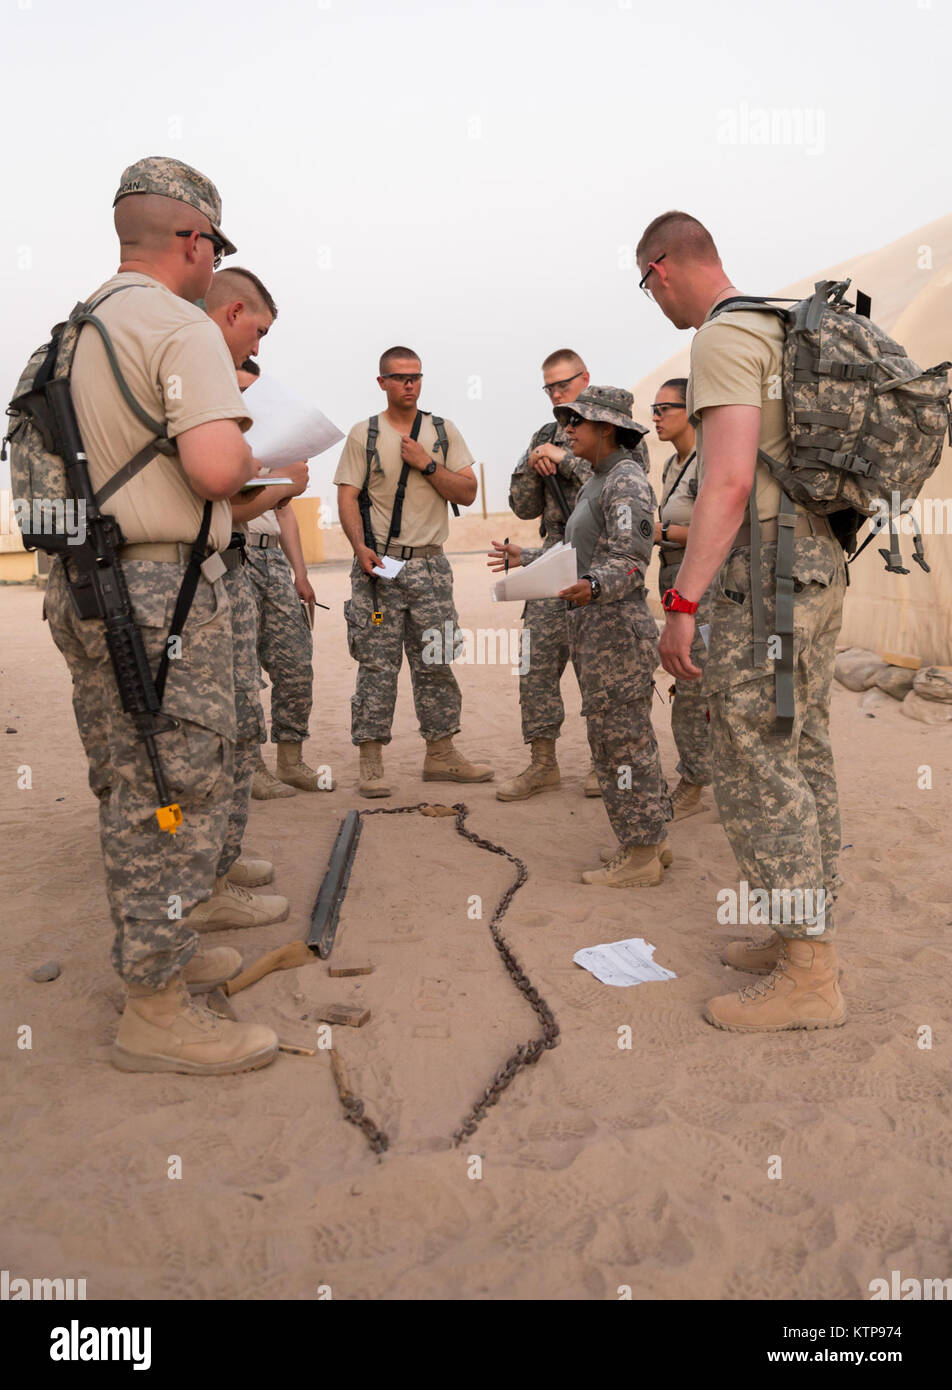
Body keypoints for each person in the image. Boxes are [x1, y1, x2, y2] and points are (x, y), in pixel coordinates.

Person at [43, 156, 279, 1074]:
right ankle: (154, 1009)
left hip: (91, 587)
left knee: (141, 781)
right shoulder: (175, 326)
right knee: (168, 791)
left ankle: (166, 960)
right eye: (211, 244)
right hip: (158, 595)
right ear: (193, 240)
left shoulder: (75, 329)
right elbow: (217, 470)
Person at [636, 209, 847, 1031]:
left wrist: (681, 607)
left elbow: (724, 486)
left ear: (659, 269)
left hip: (765, 574)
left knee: (756, 758)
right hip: (819, 562)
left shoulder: (723, 338)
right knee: (803, 747)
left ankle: (809, 976)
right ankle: (804, 932)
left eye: (646, 285)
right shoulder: (780, 323)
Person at [490, 387, 672, 885]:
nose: (568, 431)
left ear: (607, 430)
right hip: (595, 630)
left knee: (623, 746)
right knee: (622, 742)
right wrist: (526, 560)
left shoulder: (627, 481)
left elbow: (631, 563)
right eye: (567, 421)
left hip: (616, 634)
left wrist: (593, 586)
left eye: (578, 422)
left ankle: (640, 856)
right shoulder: (597, 479)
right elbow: (576, 553)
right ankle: (652, 843)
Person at [187, 268, 307, 926]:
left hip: (213, 569)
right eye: (256, 332)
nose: (253, 347)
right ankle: (197, 884)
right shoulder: (185, 367)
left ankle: (218, 864)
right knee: (192, 743)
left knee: (229, 719)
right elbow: (216, 493)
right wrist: (277, 483)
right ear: (233, 313)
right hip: (179, 579)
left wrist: (277, 492)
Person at [335, 346, 492, 796]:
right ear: (382, 382)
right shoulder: (363, 434)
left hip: (431, 566)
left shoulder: (442, 432)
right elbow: (347, 496)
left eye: (416, 376)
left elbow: (466, 491)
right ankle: (371, 760)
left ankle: (441, 755)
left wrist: (426, 462)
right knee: (376, 664)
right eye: (400, 377)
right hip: (380, 567)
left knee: (436, 661)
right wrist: (359, 548)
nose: (409, 384)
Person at [497, 349, 601, 801]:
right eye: (550, 388)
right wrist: (533, 460)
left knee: (598, 673)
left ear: (585, 378)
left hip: (599, 564)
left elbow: (617, 482)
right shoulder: (545, 434)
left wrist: (565, 459)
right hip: (551, 561)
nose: (557, 395)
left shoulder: (609, 426)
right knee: (535, 669)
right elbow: (523, 506)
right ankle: (542, 763)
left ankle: (605, 763)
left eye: (564, 384)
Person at [234, 360, 330, 801]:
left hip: (273, 562)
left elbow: (284, 511)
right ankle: (251, 768)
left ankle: (290, 761)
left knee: (295, 664)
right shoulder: (220, 440)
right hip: (234, 555)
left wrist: (301, 574)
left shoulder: (271, 439)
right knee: (244, 673)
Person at [651, 377, 712, 819]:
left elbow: (721, 529)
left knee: (695, 688)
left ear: (689, 410)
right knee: (689, 684)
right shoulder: (673, 465)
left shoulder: (707, 462)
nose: (655, 417)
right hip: (673, 580)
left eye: (664, 409)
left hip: (704, 590)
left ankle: (694, 781)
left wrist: (664, 533)